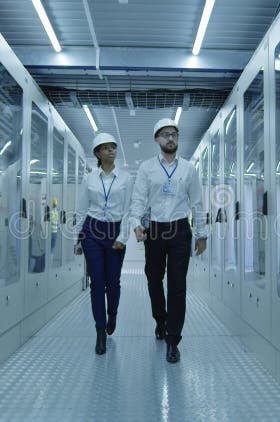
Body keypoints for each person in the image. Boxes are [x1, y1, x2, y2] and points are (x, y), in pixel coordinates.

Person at [130, 118, 207, 363]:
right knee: (154, 279)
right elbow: (138, 199)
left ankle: (173, 339)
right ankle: (160, 320)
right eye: (165, 134)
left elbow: (197, 203)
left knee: (177, 284)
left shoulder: (188, 169)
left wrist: (202, 234)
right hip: (154, 230)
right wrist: (136, 224)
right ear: (157, 139)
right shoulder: (147, 168)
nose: (170, 138)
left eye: (174, 134)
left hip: (180, 229)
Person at [73, 132, 132, 355]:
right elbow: (81, 208)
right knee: (97, 282)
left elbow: (128, 210)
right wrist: (77, 238)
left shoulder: (125, 178)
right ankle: (100, 331)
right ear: (98, 153)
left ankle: (112, 313)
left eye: (113, 147)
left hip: (115, 230)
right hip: (92, 230)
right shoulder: (89, 179)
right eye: (106, 148)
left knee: (113, 281)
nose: (111, 150)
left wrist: (123, 237)